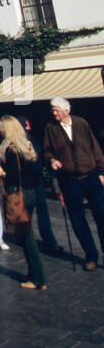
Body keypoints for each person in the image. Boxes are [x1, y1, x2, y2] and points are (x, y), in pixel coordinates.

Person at [43, 98, 104, 271]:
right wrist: (52, 160)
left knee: (102, 214)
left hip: (91, 176)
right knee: (78, 220)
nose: (54, 113)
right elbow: (46, 151)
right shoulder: (51, 128)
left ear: (66, 110)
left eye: (56, 110)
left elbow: (94, 146)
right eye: (52, 110)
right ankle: (91, 256)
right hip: (69, 180)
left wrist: (102, 171)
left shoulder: (81, 123)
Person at [0, 115, 47, 290]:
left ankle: (38, 278)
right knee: (26, 233)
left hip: (19, 195)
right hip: (31, 192)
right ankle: (34, 274)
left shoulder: (11, 150)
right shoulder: (27, 145)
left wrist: (1, 173)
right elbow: (35, 171)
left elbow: (13, 176)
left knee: (27, 237)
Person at [23, 117, 62, 255]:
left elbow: (40, 157)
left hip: (37, 181)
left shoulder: (33, 140)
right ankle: (27, 241)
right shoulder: (16, 144)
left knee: (43, 212)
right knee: (26, 214)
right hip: (25, 183)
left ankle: (49, 241)